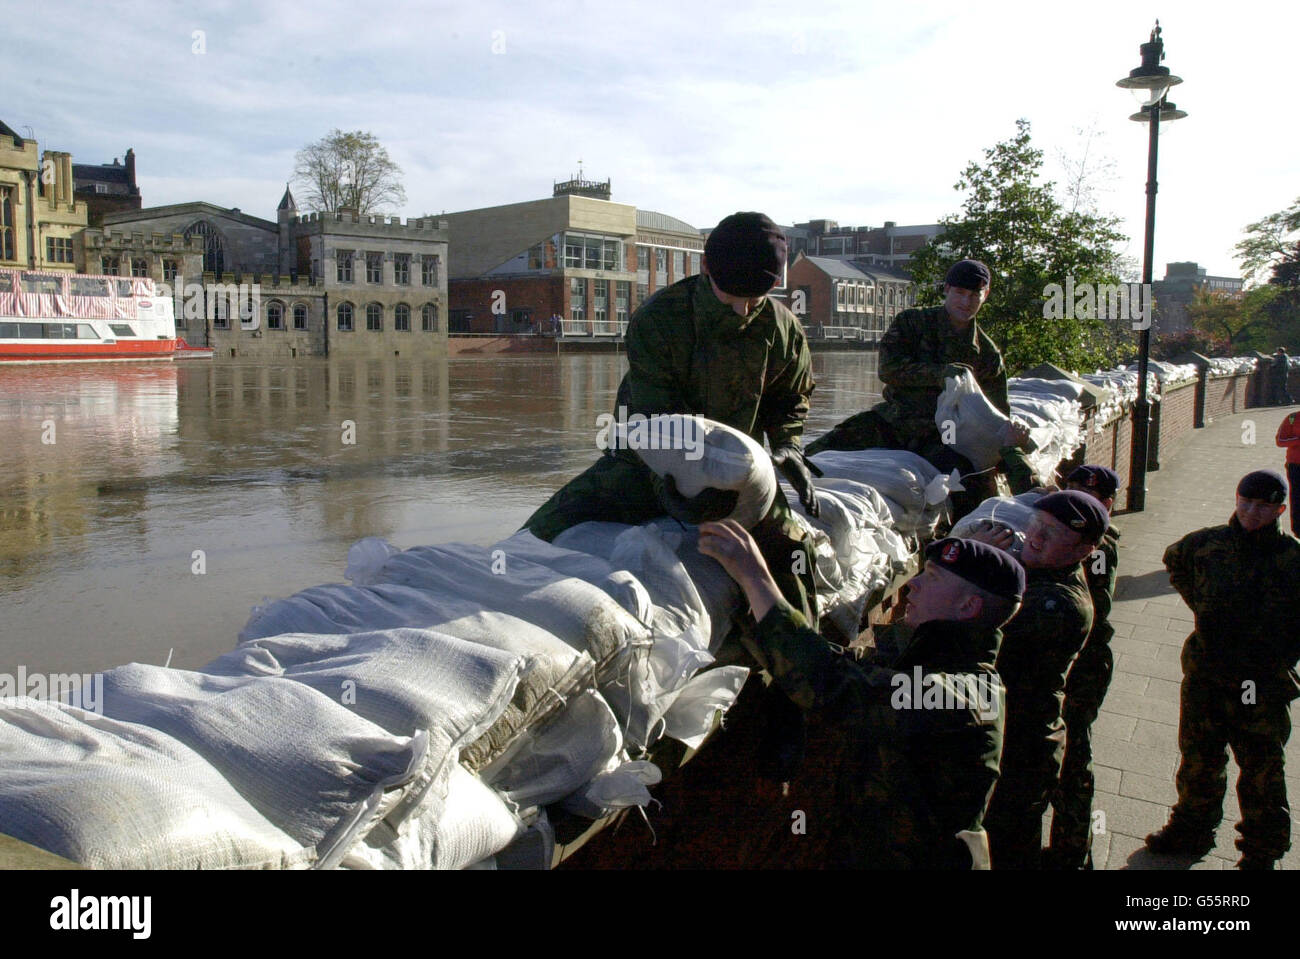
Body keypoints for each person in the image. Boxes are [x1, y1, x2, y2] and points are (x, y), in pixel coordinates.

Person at [522, 212, 820, 782]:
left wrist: (785, 449)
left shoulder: (780, 325)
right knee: (552, 519)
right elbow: (655, 425)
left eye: (756, 299)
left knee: (791, 558)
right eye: (734, 298)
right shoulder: (661, 320)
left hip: (737, 473)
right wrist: (676, 493)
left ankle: (792, 703)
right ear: (706, 268)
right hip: (646, 458)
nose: (743, 311)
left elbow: (791, 398)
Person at [697, 519, 1025, 868]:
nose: (913, 585)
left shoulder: (960, 697)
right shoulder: (932, 662)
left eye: (932, 578)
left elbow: (836, 686)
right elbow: (847, 665)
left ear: (967, 607)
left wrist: (755, 577)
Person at [1145, 470, 1300, 869]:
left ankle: (1261, 849)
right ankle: (1191, 828)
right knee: (1198, 758)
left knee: (1261, 768)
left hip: (1259, 682)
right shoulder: (1207, 543)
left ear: (1279, 509)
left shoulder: (1291, 559)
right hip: (1207, 672)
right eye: (1245, 502)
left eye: (1263, 506)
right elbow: (1174, 561)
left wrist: (1284, 653)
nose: (1251, 512)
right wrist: (1202, 605)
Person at [806, 259, 1029, 518]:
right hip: (894, 421)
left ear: (985, 295)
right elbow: (888, 370)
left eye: (974, 295)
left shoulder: (987, 355)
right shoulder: (912, 323)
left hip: (945, 439)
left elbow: (996, 415)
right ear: (946, 289)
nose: (966, 302)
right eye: (959, 293)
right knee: (810, 458)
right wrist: (939, 374)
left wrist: (1013, 446)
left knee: (973, 498)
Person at [971, 490, 1108, 869]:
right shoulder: (1034, 571)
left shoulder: (1058, 603)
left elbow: (970, 629)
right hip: (1008, 735)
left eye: (1055, 532)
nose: (1036, 535)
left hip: (1021, 748)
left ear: (1084, 549)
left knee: (1005, 848)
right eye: (1037, 523)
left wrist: (974, 559)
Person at [1045, 465, 1122, 869]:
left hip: (1084, 663)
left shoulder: (1098, 546)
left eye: (1089, 496)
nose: (1077, 499)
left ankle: (1072, 852)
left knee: (1073, 757)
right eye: (1071, 490)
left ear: (1108, 504)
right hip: (1071, 659)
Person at [1277, 410, 1300, 536]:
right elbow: (1280, 440)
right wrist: (1298, 440)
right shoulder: (1293, 418)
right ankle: (1298, 531)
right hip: (1296, 466)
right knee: (1297, 498)